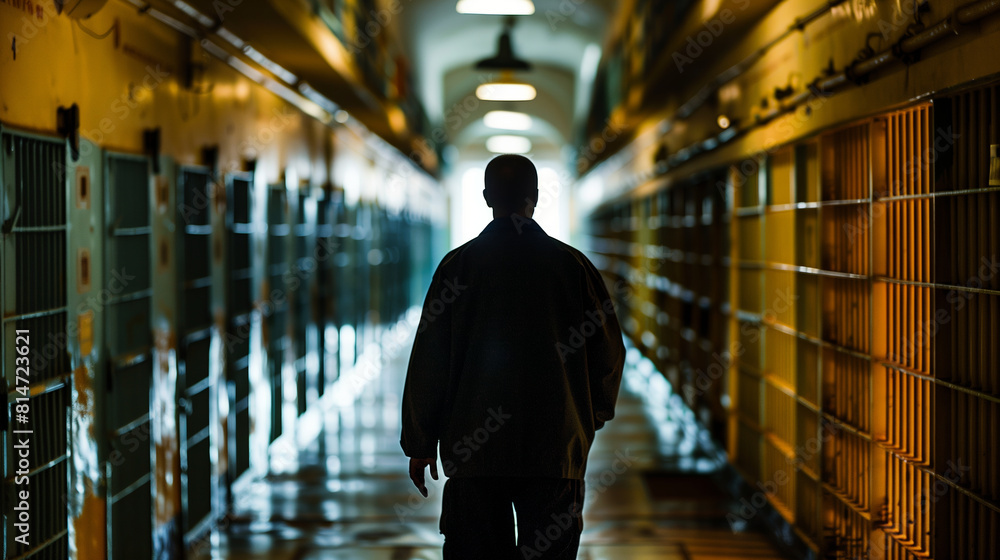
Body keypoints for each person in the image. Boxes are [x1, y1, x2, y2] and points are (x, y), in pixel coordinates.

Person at [399, 154, 626, 559]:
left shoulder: (457, 268)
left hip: (474, 450)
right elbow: (608, 354)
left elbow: (430, 359)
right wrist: (586, 418)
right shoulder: (574, 267)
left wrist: (420, 440)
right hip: (554, 447)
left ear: (487, 197)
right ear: (535, 197)